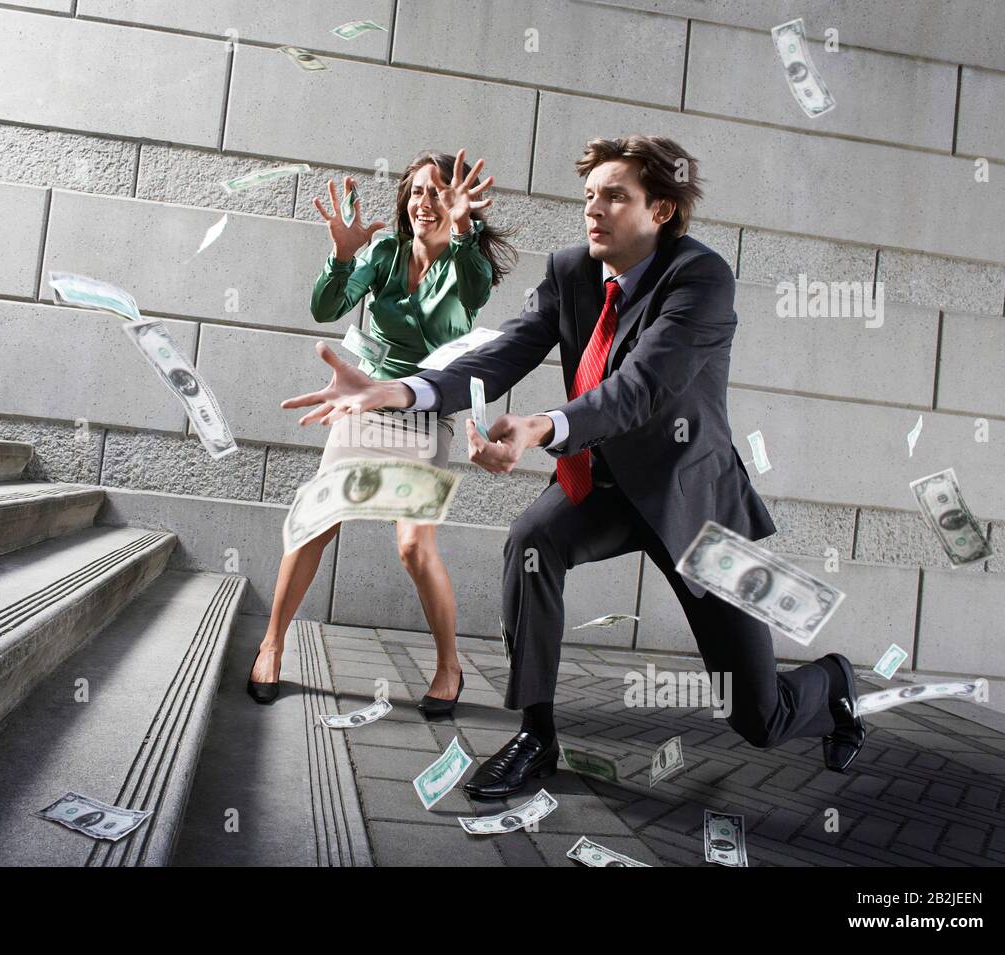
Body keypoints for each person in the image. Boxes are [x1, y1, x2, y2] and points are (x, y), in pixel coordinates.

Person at [280, 135, 867, 796]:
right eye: (590, 195)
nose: (595, 208)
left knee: (760, 718)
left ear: (663, 211)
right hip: (604, 489)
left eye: (616, 196)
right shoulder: (570, 273)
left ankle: (835, 681)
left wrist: (541, 426)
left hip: (695, 504)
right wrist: (404, 390)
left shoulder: (702, 278)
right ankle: (536, 736)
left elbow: (640, 389)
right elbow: (504, 352)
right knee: (533, 540)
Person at [248, 149, 518, 718]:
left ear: (456, 202)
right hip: (365, 404)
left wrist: (464, 225)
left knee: (414, 547)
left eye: (440, 191)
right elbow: (326, 307)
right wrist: (342, 258)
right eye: (418, 190)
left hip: (425, 416)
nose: (426, 201)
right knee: (314, 524)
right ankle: (272, 644)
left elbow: (474, 279)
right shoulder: (385, 253)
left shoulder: (469, 270)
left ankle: (449, 665)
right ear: (405, 199)